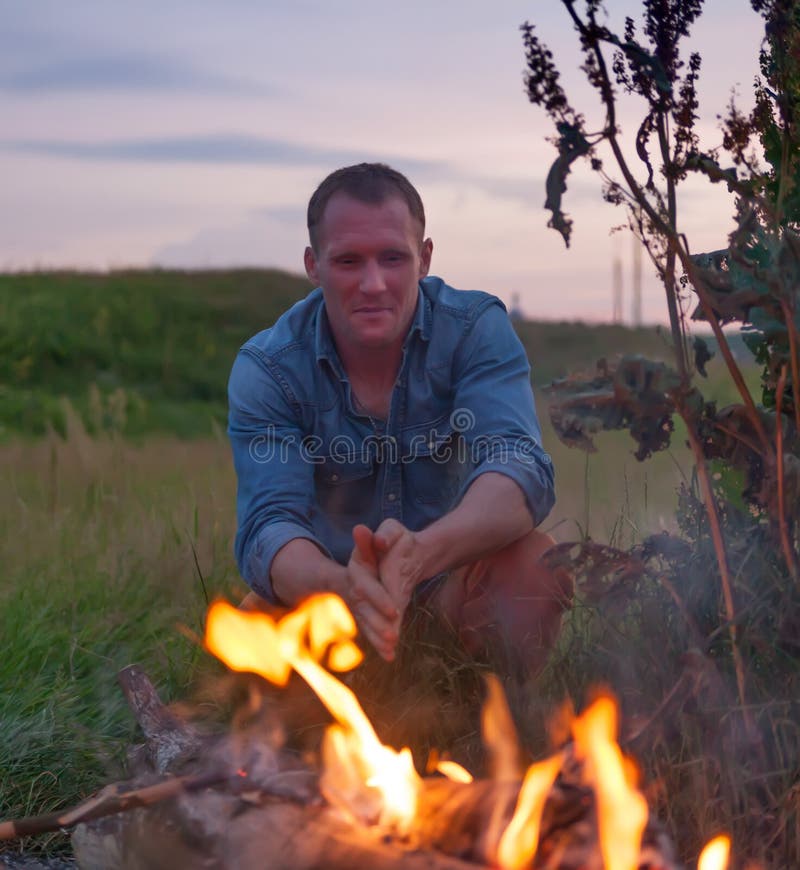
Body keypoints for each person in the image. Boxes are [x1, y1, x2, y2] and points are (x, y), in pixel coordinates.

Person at [228, 162, 570, 678]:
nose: (373, 284)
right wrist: (343, 586)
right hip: (327, 601)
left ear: (425, 257)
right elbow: (268, 528)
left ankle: (490, 724)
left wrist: (418, 558)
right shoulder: (270, 367)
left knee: (536, 566)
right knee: (249, 654)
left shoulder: (475, 331)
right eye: (347, 261)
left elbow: (518, 470)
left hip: (447, 583)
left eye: (393, 258)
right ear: (313, 266)